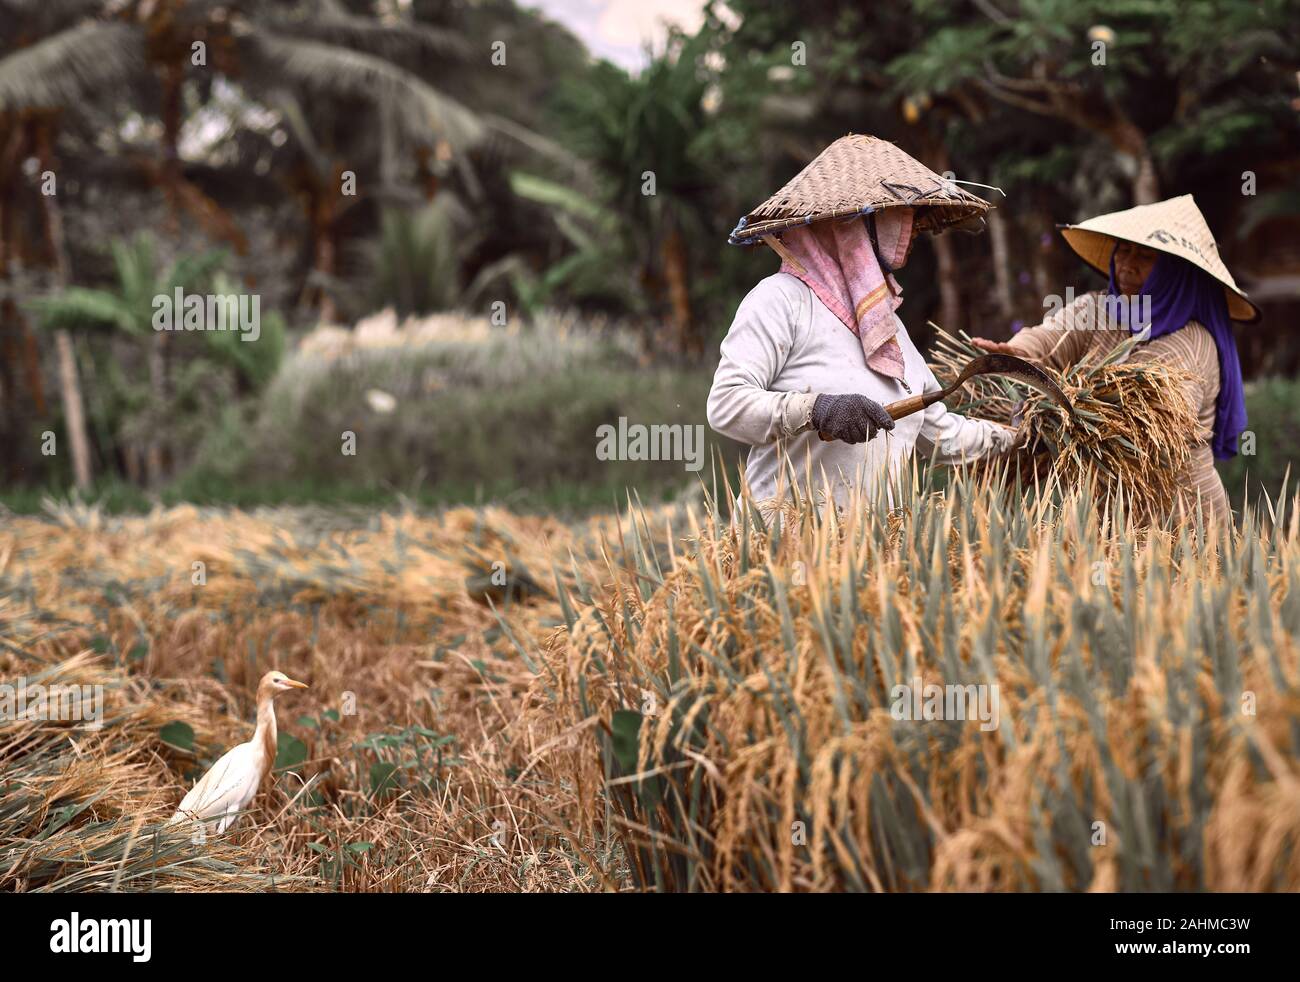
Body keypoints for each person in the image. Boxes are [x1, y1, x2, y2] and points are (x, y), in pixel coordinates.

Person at [707, 134, 1015, 509]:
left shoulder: (888, 332)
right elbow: (726, 406)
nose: (912, 231)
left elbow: (942, 435)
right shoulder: (781, 300)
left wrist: (1016, 436)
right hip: (780, 550)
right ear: (850, 226)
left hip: (867, 558)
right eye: (899, 216)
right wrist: (816, 410)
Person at [972, 194, 1257, 523]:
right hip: (1108, 512)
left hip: (1179, 517)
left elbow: (1136, 411)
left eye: (1145, 256)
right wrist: (1017, 352)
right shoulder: (1098, 309)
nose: (1127, 264)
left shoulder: (1192, 343)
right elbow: (1049, 336)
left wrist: (1050, 405)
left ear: (1172, 273)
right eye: (1123, 249)